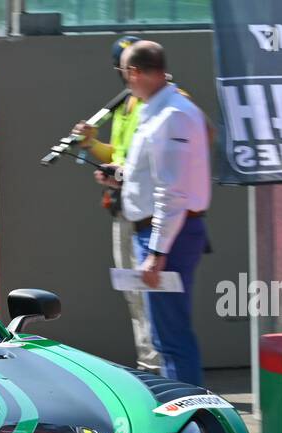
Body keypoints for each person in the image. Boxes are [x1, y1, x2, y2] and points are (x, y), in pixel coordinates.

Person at [108, 40, 211, 386]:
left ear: (135, 72)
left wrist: (156, 253)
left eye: (123, 72)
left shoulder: (173, 115)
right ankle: (186, 414)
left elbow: (174, 190)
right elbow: (156, 176)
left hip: (167, 238)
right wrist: (119, 175)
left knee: (171, 337)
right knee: (165, 336)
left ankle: (190, 418)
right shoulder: (157, 110)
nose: (124, 80)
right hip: (159, 234)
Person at [69, 35, 160, 373]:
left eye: (138, 67)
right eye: (127, 68)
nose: (133, 74)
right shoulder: (126, 104)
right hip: (122, 206)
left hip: (149, 213)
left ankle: (161, 368)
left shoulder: (165, 103)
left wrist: (123, 171)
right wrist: (92, 145)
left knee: (152, 294)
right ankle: (149, 366)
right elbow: (119, 155)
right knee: (133, 294)